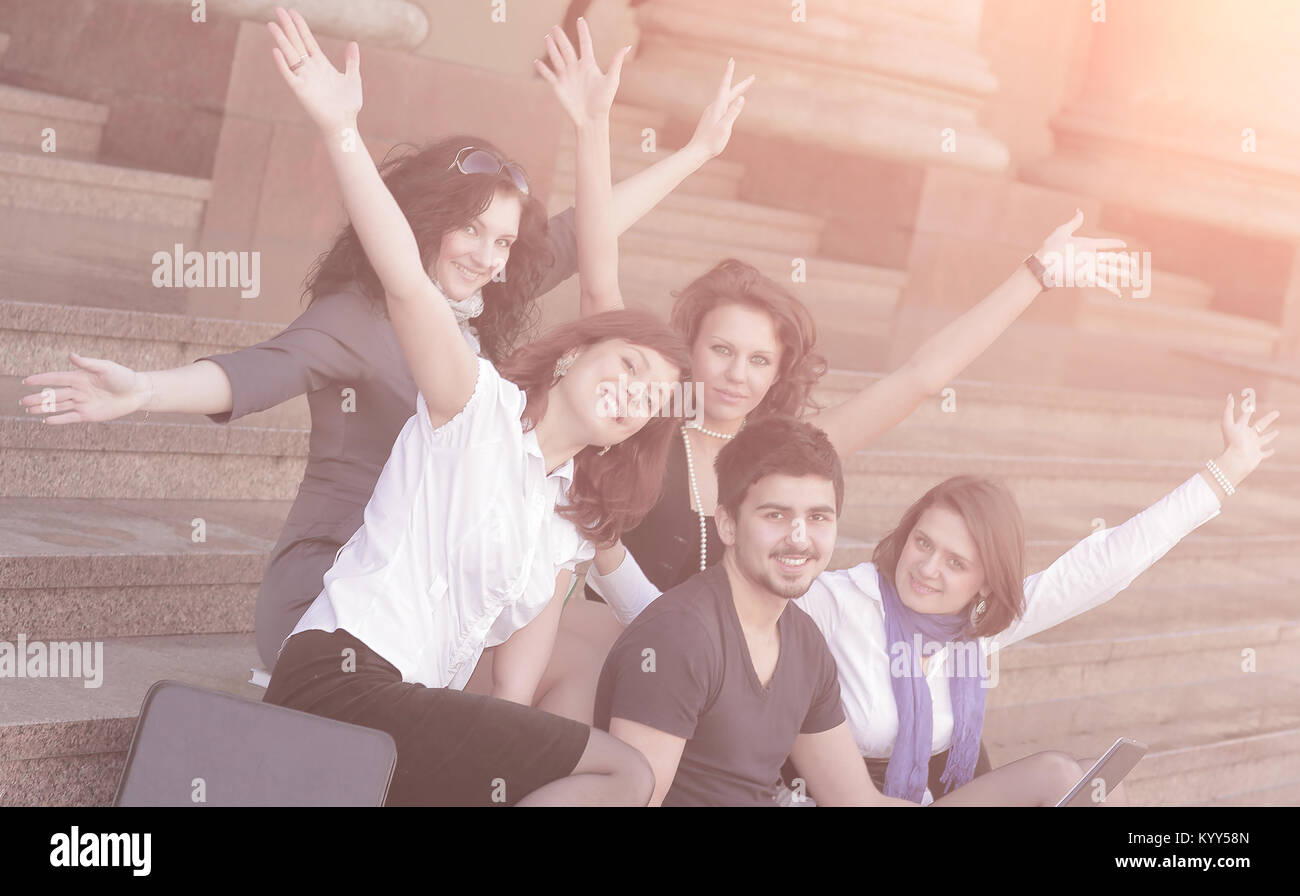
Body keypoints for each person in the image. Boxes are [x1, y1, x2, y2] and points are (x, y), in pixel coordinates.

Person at [18, 16, 751, 671]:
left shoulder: (482, 300)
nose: (490, 258)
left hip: (439, 588)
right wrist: (146, 390)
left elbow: (586, 232)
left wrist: (694, 152)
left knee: (574, 651)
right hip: (336, 594)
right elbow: (254, 371)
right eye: (471, 230)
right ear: (426, 218)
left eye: (502, 241)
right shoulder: (359, 320)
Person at [256, 9, 692, 805]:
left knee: (593, 775)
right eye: (628, 365)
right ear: (571, 353)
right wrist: (341, 130)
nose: (635, 394)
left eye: (653, 400)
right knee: (622, 771)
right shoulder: (473, 404)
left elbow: (508, 699)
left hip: (416, 715)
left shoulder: (569, 522)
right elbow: (405, 279)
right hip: (339, 679)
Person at [591, 396, 1282, 803]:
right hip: (829, 791)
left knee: (1067, 778)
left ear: (986, 581)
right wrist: (606, 553)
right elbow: (682, 616)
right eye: (923, 543)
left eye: (957, 562)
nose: (927, 569)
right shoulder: (835, 603)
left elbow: (1103, 564)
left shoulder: (974, 634)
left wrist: (1224, 475)